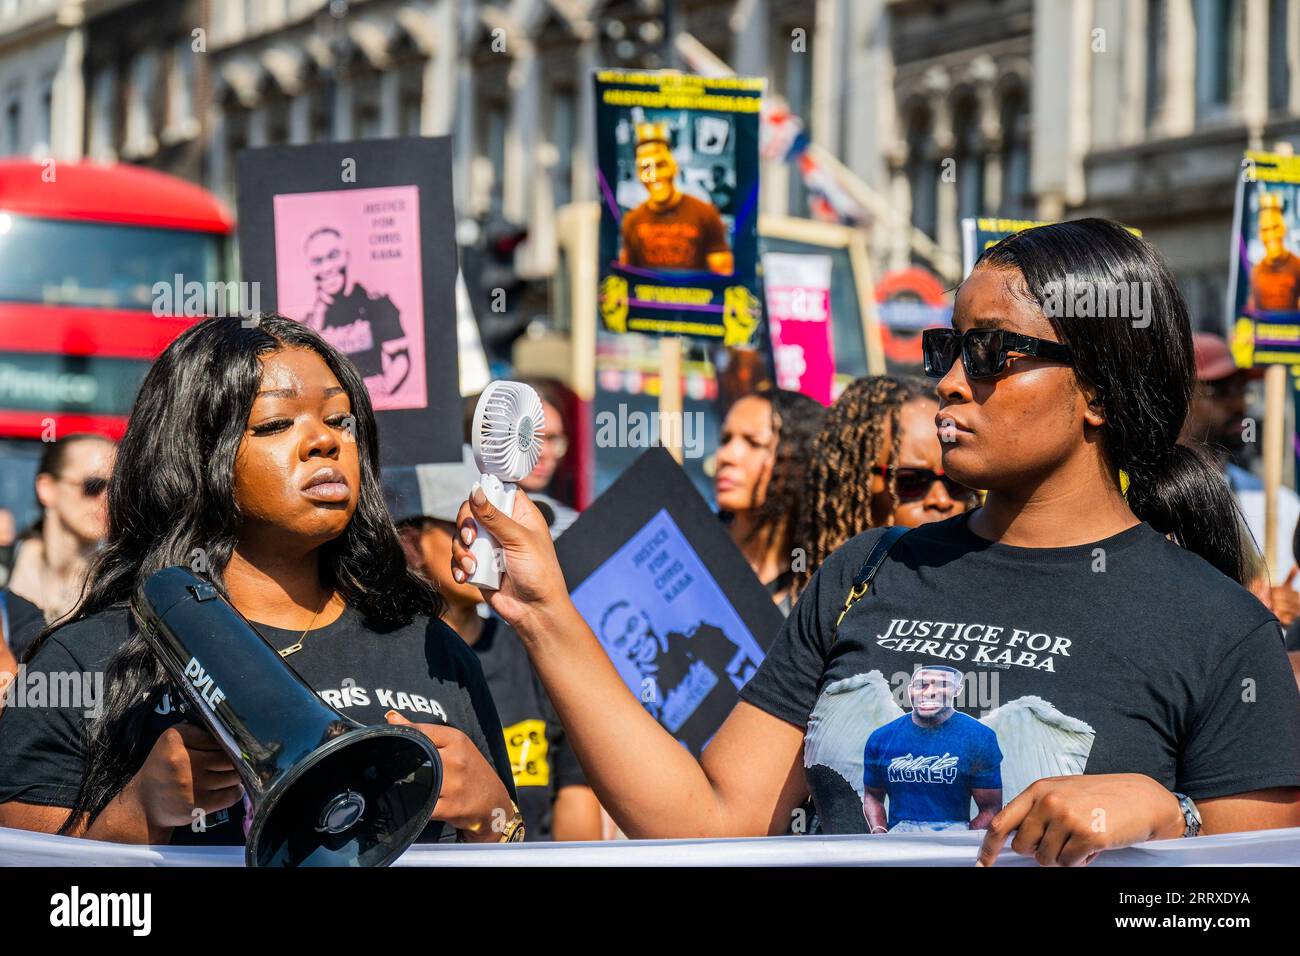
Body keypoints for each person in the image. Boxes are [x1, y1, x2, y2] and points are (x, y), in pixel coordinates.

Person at [450, 219, 1300, 866]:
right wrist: (544, 611)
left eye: (995, 353)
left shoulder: (1220, 629)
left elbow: (1235, 904)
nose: (953, 380)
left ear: (1101, 392)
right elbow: (707, 823)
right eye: (949, 348)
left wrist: (1166, 817)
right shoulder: (867, 569)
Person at [0, 316, 519, 846]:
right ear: (197, 455)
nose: (323, 441)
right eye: (276, 424)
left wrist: (493, 814)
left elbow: (509, 845)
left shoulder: (434, 651)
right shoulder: (84, 659)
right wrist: (141, 809)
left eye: (342, 421)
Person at [395, 449, 602, 841]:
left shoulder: (534, 649)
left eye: (502, 526)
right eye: (470, 524)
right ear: (412, 543)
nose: (493, 544)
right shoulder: (387, 660)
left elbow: (576, 794)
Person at [793, 375, 977, 597]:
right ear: (850, 482)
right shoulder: (811, 598)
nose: (941, 500)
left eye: (955, 482)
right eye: (910, 481)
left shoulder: (980, 591)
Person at [1181, 332, 1300, 624]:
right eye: (1220, 391)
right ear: (1177, 396)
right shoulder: (1143, 501)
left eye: (1242, 390)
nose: (1239, 405)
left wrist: (1291, 609)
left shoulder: (1280, 503)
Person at [714, 387, 825, 612]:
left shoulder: (816, 589)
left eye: (754, 443)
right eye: (725, 439)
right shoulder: (691, 544)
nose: (726, 456)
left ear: (798, 460)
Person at [4, 434, 116, 657]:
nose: (107, 499)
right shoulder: (5, 565)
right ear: (47, 489)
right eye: (93, 486)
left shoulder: (117, 581)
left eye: (116, 488)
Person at [862, 666, 1002, 833]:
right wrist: (879, 832)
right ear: (910, 690)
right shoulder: (881, 738)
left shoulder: (980, 737)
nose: (930, 692)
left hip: (954, 841)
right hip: (898, 843)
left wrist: (960, 844)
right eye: (921, 685)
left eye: (943, 684)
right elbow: (872, 796)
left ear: (957, 690)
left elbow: (991, 809)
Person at [302, 226, 411, 397]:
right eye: (318, 261)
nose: (328, 266)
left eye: (333, 256)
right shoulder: (305, 324)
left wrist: (376, 394)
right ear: (309, 266)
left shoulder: (375, 303)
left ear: (346, 256)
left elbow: (400, 359)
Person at [619, 121, 733, 275]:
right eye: (647, 169)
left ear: (674, 165)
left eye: (660, 165)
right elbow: (626, 274)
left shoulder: (704, 210)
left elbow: (722, 273)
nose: (655, 177)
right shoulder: (633, 219)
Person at [516, 378, 580, 538]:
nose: (544, 452)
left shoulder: (574, 526)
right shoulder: (467, 516)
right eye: (531, 437)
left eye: (552, 439)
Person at [1248, 192, 1300, 312]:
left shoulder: (1298, 267)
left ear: (1283, 228)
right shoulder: (1256, 273)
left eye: (1275, 227)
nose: (1271, 235)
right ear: (1260, 234)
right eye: (1265, 230)